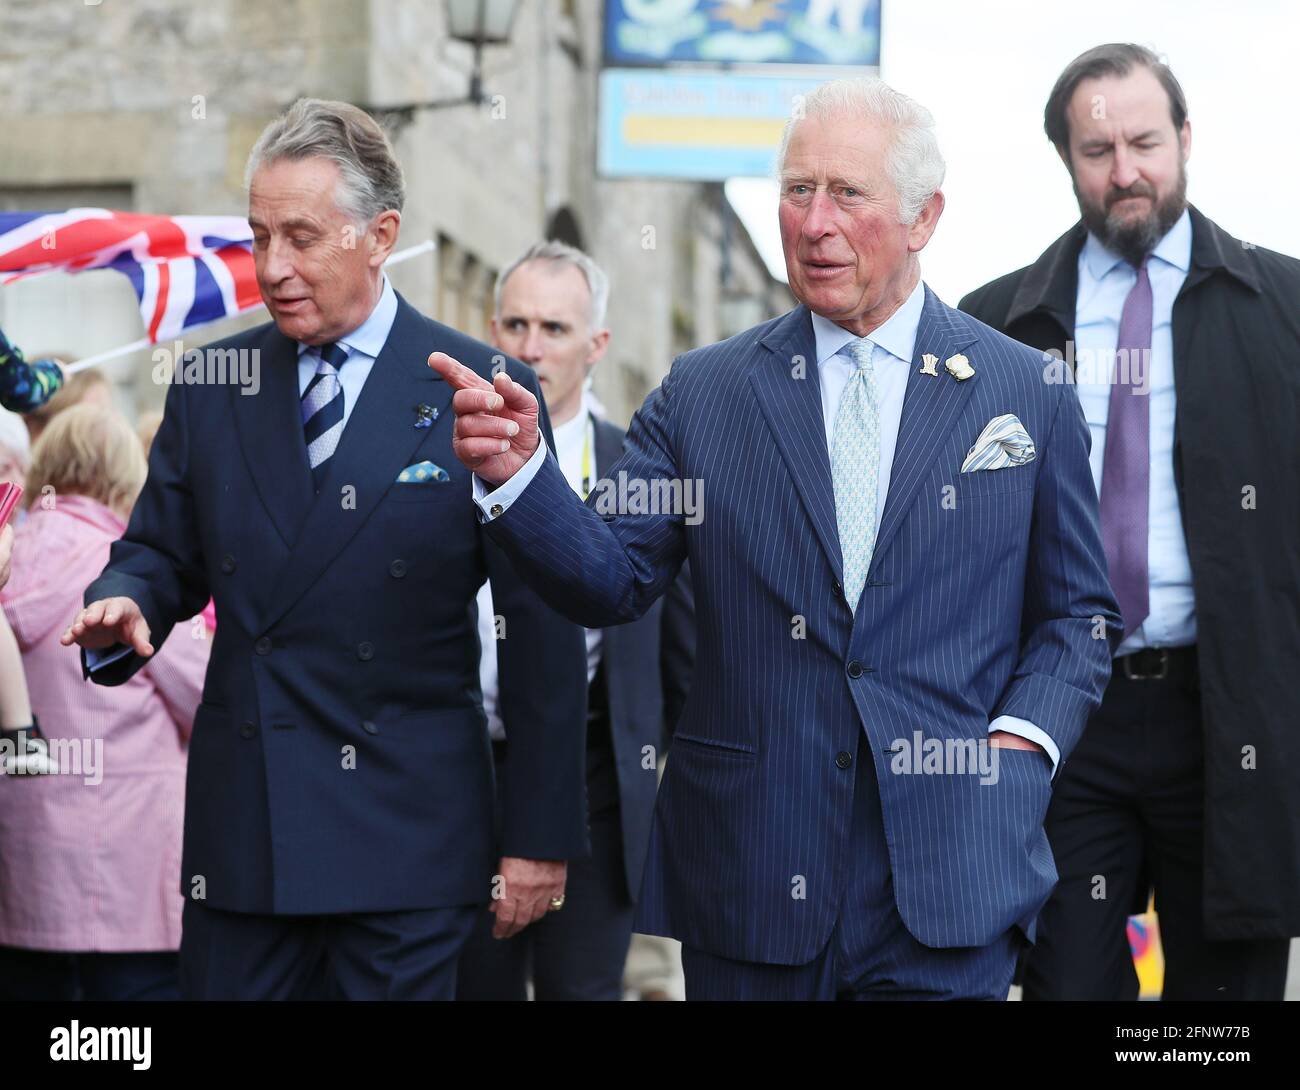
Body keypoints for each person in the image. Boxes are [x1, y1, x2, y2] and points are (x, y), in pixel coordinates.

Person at [431, 76, 1121, 1001]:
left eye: (847, 194)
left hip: (949, 872)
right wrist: (523, 477)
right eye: (797, 191)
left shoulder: (1020, 390)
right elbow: (613, 576)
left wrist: (1022, 747)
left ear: (924, 218)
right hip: (752, 874)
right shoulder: (704, 392)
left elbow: (1078, 617)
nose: (815, 222)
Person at [62, 98, 588, 1000]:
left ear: (380, 235)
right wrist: (128, 599)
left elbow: (538, 622)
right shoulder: (212, 381)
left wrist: (537, 833)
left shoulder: (478, 384)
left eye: (301, 238)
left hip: (408, 843)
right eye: (259, 237)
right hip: (244, 842)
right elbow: (162, 553)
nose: (273, 267)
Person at [959, 43, 1300, 1001]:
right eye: (1098, 149)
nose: (1127, 171)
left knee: (1221, 1013)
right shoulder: (998, 328)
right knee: (1065, 985)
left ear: (1185, 139)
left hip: (1229, 716)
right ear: (1066, 161)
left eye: (1146, 142)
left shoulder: (1286, 309)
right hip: (1065, 714)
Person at [456, 242, 694, 1001]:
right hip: (457, 773)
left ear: (596, 346)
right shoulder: (441, 449)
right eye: (517, 324)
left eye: (554, 329)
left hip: (598, 787)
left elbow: (682, 652)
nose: (531, 347)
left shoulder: (641, 469)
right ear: (491, 329)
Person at [0, 404, 210, 1000]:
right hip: (130, 880)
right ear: (125, 479)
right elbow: (203, 695)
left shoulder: (6, 556)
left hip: (22, 879)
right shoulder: (129, 573)